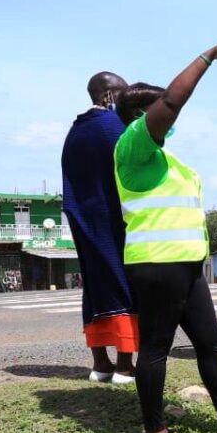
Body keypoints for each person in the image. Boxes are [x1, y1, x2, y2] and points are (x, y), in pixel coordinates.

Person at [114, 35, 217, 433]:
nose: (169, 111)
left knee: (210, 340)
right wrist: (208, 57)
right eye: (160, 106)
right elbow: (173, 103)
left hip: (184, 265)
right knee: (156, 348)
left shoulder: (164, 159)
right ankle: (155, 432)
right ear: (139, 116)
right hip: (156, 264)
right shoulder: (132, 145)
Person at [60, 71, 139, 385]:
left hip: (83, 220)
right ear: (108, 95)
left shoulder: (75, 130)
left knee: (94, 287)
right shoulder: (113, 126)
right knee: (124, 284)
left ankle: (100, 363)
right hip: (112, 218)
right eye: (124, 93)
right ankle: (124, 365)